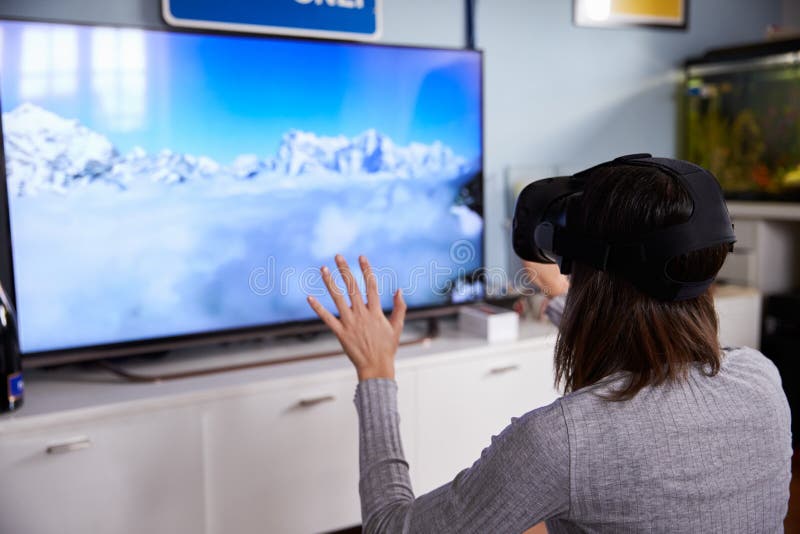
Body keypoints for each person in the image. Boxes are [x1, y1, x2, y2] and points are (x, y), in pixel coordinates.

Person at [306, 159, 792, 533]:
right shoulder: (761, 378)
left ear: (591, 280)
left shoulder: (564, 440)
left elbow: (392, 528)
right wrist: (565, 297)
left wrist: (376, 371)